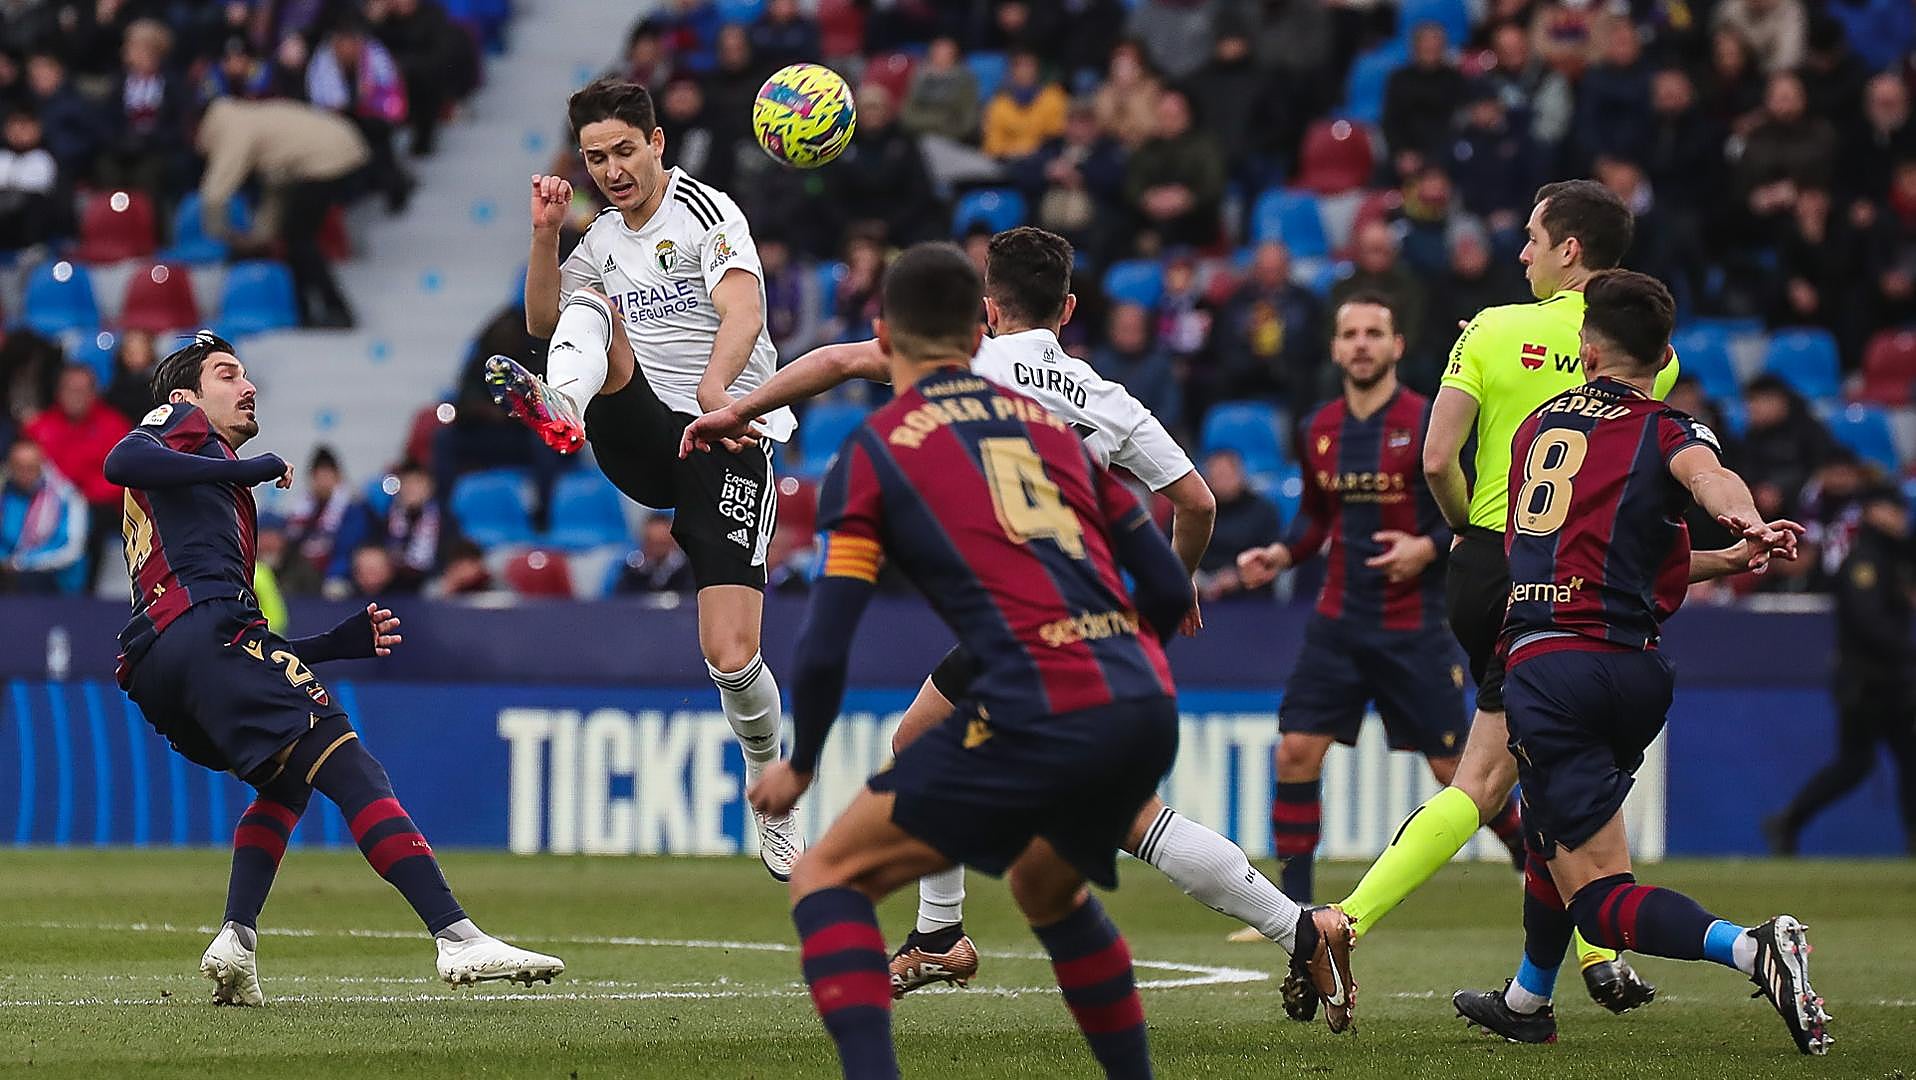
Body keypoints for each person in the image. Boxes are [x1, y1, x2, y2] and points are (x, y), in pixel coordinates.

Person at [683, 229, 1353, 1025]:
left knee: (1127, 817)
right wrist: (1175, 583)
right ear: (1067, 309)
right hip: (1068, 615)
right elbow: (1198, 502)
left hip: (1031, 622)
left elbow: (835, 361)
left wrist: (735, 410)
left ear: (988, 307)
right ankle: (940, 934)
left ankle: (1302, 928)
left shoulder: (967, 363)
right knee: (920, 739)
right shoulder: (1105, 395)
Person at [104, 331, 562, 1006]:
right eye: (226, 374)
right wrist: (247, 469)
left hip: (162, 664)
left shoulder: (197, 481)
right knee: (352, 767)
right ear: (185, 396)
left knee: (287, 782)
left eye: (245, 374)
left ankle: (236, 939)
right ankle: (457, 936)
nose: (247, 385)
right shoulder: (184, 427)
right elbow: (120, 458)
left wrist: (330, 644)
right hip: (202, 636)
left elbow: (232, 643)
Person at [1452, 270, 1829, 1055]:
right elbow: (1704, 486)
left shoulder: (1536, 427)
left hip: (1550, 665)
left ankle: (1752, 947)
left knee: (1599, 897)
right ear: (1663, 359)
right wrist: (1745, 529)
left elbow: (1570, 548)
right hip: (1634, 672)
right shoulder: (1671, 429)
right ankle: (1527, 1000)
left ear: (1588, 351)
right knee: (1554, 829)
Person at [1333, 180, 1681, 1011]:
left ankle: (1358, 926)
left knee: (1512, 774)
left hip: (1495, 563)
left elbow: (1435, 460)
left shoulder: (1491, 329)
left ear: (1570, 249)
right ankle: (1590, 950)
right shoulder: (1656, 355)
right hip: (1586, 579)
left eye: (1532, 238)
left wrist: (1462, 529)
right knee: (1538, 771)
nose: (1521, 253)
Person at [489, 79, 803, 878]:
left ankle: (771, 782)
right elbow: (541, 320)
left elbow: (744, 313)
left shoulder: (707, 212)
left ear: (657, 143)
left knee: (730, 656)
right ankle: (562, 402)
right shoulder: (599, 236)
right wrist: (546, 235)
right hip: (641, 430)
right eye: (596, 158)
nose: (612, 171)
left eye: (624, 151)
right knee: (590, 309)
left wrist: (718, 392)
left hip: (725, 437)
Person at [1236, 296, 1524, 991]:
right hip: (1339, 622)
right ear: (1336, 349)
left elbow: (1475, 502)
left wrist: (1426, 547)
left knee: (1456, 771)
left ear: (1397, 346)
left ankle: (1529, 865)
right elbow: (1316, 516)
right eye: (1350, 334)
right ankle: (1293, 908)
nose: (1361, 344)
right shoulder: (1319, 427)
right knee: (1295, 751)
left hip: (1414, 626)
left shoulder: (1428, 418)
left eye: (1374, 333)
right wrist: (1281, 553)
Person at [1766, 485, 1916, 855]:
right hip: (1868, 681)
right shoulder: (1865, 560)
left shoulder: (1893, 556)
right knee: (1859, 762)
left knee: (1895, 760)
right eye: (1891, 509)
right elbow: (1869, 623)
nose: (1900, 517)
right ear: (1872, 511)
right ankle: (1789, 819)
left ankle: (1790, 820)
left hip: (1890, 678)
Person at [196, 96, 369, 328]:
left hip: (329, 157)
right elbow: (277, 191)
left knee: (300, 241)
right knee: (295, 239)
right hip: (337, 148)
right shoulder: (250, 121)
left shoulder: (233, 127)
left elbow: (218, 186)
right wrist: (258, 237)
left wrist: (216, 228)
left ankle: (337, 310)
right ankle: (304, 310)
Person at [0, 438, 88, 593]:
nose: (24, 473)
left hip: (55, 581)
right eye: (18, 467)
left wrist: (21, 563)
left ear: (42, 465)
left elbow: (71, 549)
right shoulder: (4, 494)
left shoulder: (67, 497)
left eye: (31, 467)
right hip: (7, 575)